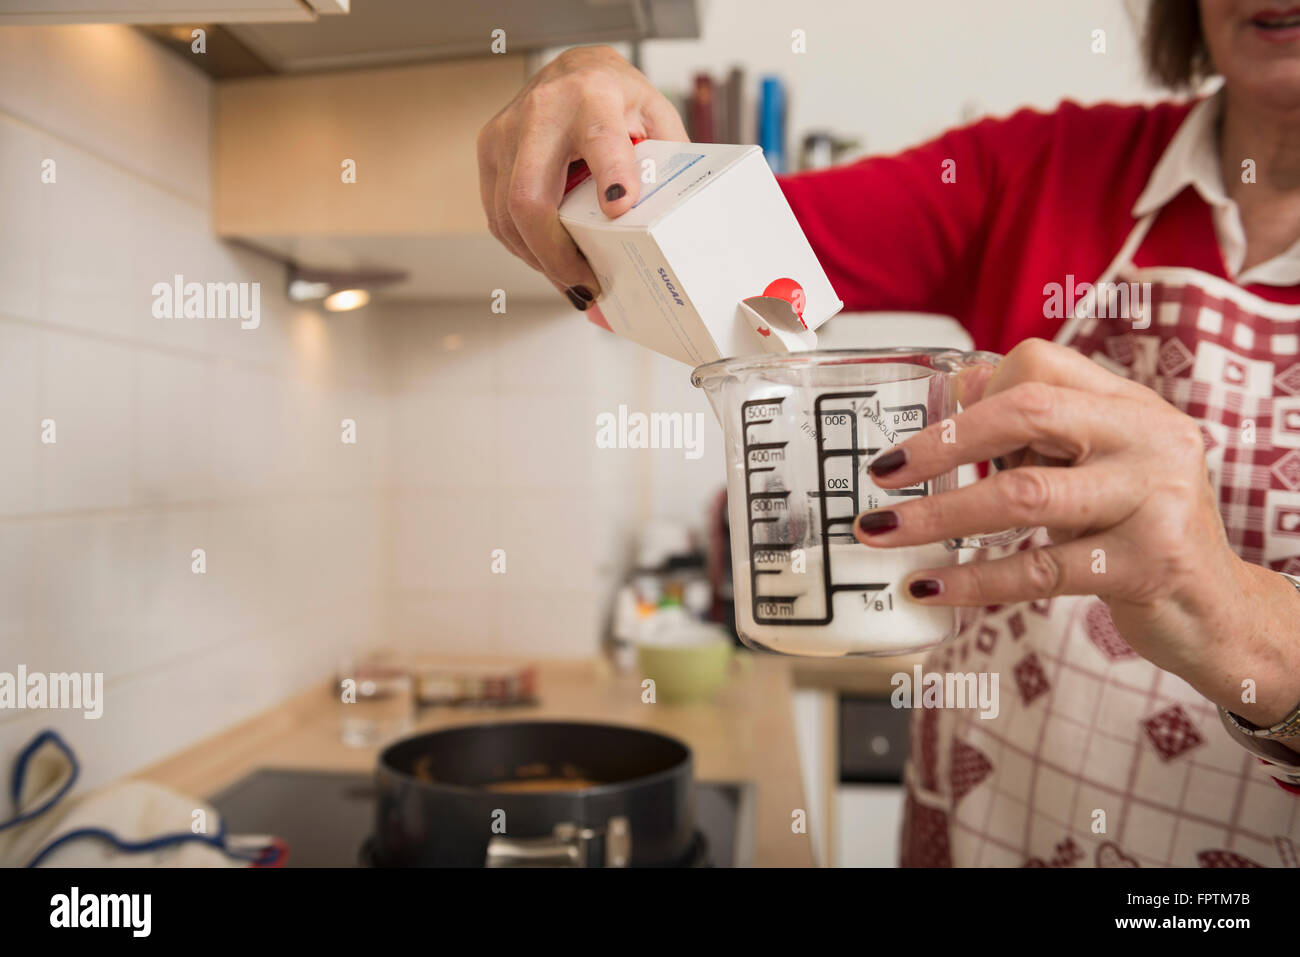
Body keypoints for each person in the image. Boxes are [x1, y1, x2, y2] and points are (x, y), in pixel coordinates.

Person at [477, 0, 1300, 867]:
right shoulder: (1046, 172)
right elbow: (712, 265)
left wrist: (1239, 620)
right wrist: (596, 132)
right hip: (990, 830)